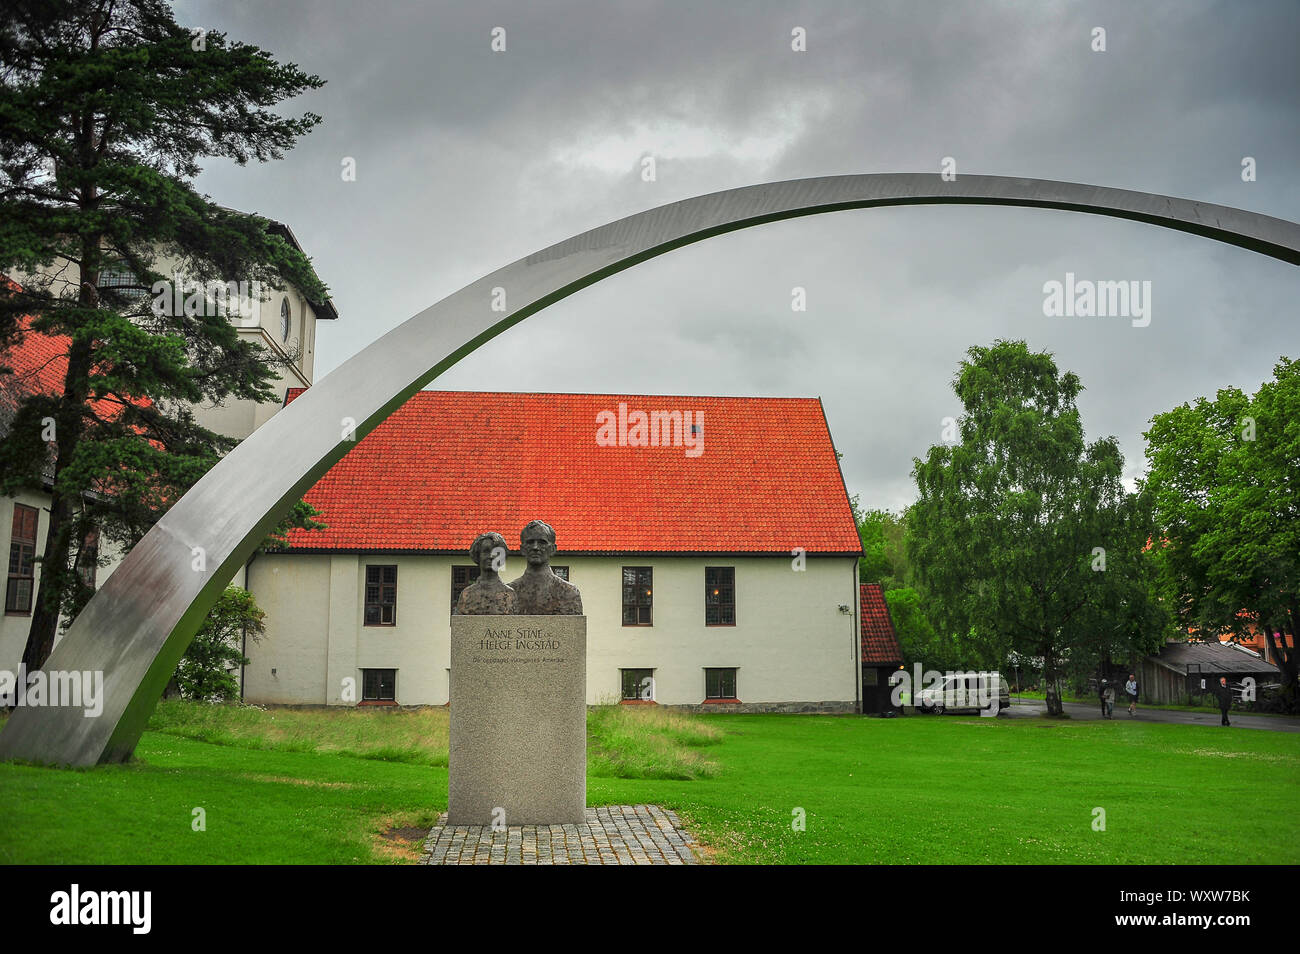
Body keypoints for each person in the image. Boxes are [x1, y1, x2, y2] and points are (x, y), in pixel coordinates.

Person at [508, 519, 583, 615]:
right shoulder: (510, 594)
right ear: (522, 549)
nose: (535, 547)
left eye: (542, 542)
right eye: (530, 542)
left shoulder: (569, 593)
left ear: (553, 549)